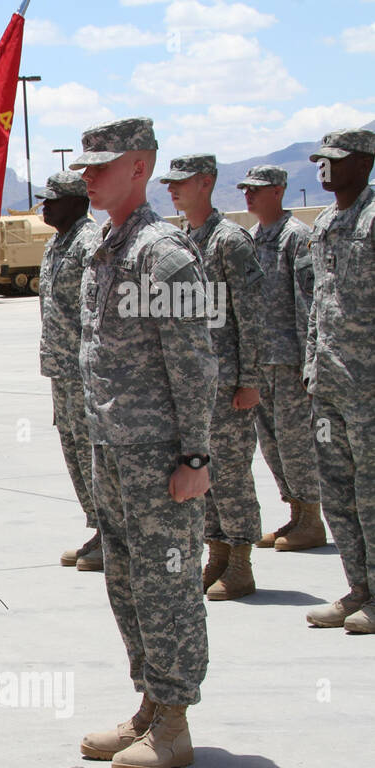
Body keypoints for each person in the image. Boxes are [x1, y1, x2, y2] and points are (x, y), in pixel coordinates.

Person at [70, 119, 218, 768]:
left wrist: (195, 456)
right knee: (127, 581)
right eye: (86, 166)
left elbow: (194, 361)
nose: (88, 176)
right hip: (113, 448)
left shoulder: (164, 253)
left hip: (160, 453)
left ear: (141, 166)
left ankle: (176, 722)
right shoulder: (103, 245)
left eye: (101, 166)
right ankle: (150, 704)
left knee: (167, 584)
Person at [162, 154, 265, 600]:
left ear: (206, 183)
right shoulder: (184, 239)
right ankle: (217, 554)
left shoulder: (230, 241)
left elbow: (252, 315)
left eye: (181, 182)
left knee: (233, 473)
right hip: (197, 384)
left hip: (227, 382)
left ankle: (240, 562)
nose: (172, 189)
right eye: (169, 182)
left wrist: (251, 379)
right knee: (206, 473)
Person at [302, 128, 375, 633]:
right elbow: (319, 305)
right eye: (321, 160)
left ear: (366, 163)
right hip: (328, 381)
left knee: (371, 492)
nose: (325, 168)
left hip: (368, 385)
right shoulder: (325, 222)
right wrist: (312, 362)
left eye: (337, 160)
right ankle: (359, 588)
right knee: (339, 493)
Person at [238, 164, 324, 551]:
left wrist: (310, 367)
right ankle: (295, 513)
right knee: (271, 443)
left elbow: (309, 304)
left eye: (257, 189)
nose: (249, 195)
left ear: (279, 191)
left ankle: (312, 519)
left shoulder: (296, 238)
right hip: (260, 361)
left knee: (295, 442)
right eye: (246, 189)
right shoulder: (253, 238)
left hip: (289, 360)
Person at [37, 171, 103, 571]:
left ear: (77, 202)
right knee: (75, 451)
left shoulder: (89, 243)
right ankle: (99, 529)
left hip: (86, 371)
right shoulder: (57, 244)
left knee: (94, 454)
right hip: (61, 371)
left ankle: (114, 536)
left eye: (52, 199)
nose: (44, 206)